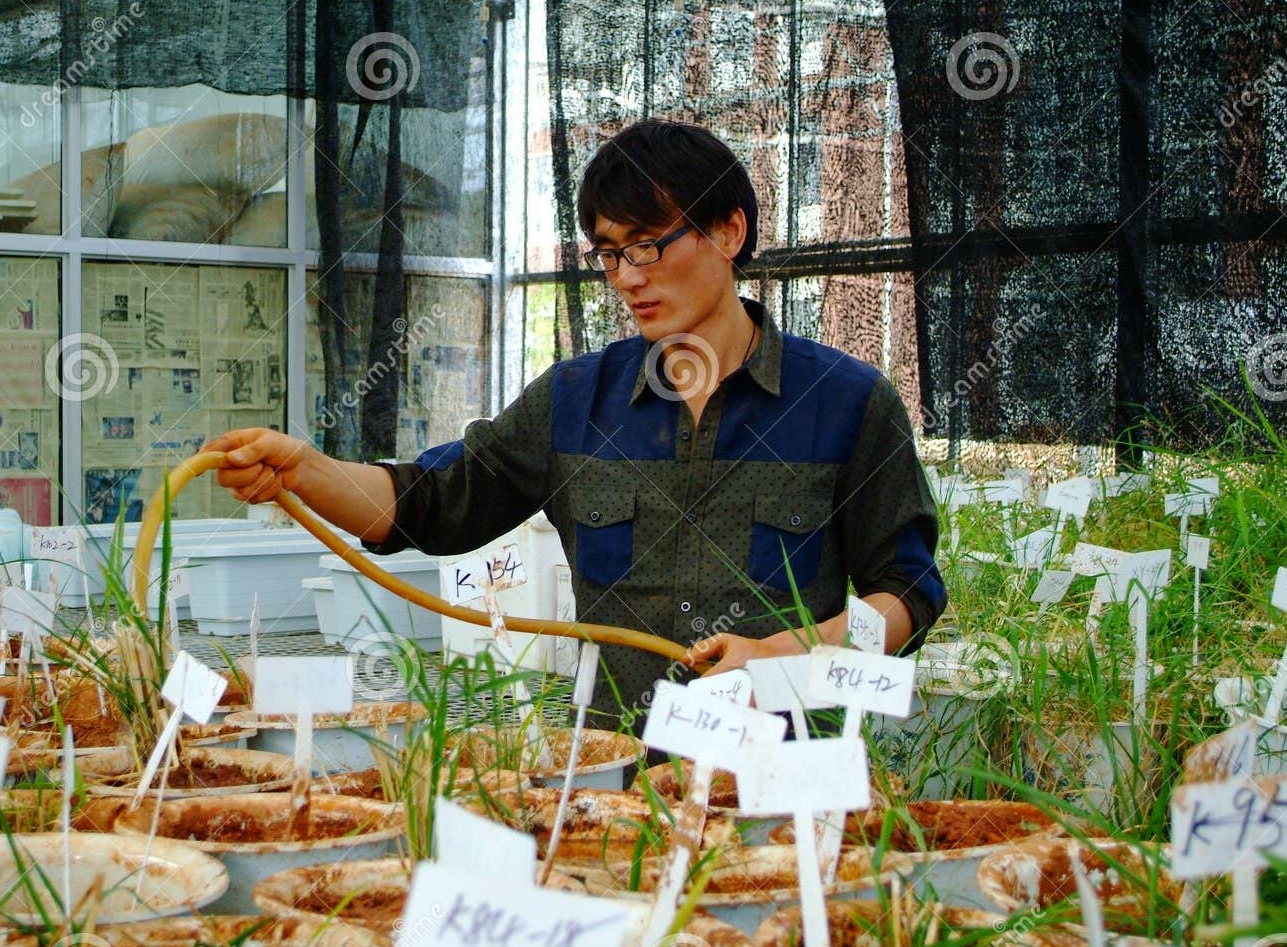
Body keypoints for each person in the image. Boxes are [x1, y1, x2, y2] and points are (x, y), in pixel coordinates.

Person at [203, 119, 944, 730]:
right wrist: (302, 471)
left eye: (648, 244)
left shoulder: (848, 403)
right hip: (603, 790)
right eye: (609, 253)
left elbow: (907, 594)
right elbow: (431, 502)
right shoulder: (574, 400)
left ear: (728, 231)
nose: (626, 276)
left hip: (777, 785)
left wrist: (782, 653)